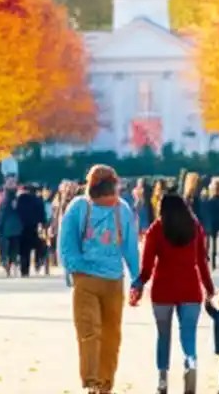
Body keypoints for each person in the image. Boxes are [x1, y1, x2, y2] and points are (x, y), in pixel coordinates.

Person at [59, 165, 142, 394]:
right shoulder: (121, 209)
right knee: (110, 335)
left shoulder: (78, 207)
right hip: (113, 280)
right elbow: (130, 248)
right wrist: (137, 278)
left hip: (86, 280)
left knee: (89, 332)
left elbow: (66, 245)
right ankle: (104, 384)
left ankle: (93, 380)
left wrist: (76, 268)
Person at [134, 193, 214, 394]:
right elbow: (202, 262)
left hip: (163, 290)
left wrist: (139, 283)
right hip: (190, 290)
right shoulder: (194, 228)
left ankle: (162, 378)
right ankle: (190, 364)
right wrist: (210, 289)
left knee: (163, 336)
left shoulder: (156, 229)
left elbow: (147, 266)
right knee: (188, 335)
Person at [16, 183, 47, 277]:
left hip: (22, 228)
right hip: (34, 228)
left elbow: (16, 212)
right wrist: (43, 224)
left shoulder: (20, 200)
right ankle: (38, 261)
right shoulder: (38, 200)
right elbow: (42, 215)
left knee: (24, 251)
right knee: (38, 246)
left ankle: (24, 270)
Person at [0, 184, 23, 276]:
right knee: (14, 248)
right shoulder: (18, 202)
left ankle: (7, 265)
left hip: (6, 230)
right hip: (17, 229)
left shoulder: (4, 203)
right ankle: (13, 262)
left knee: (5, 249)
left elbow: (0, 216)